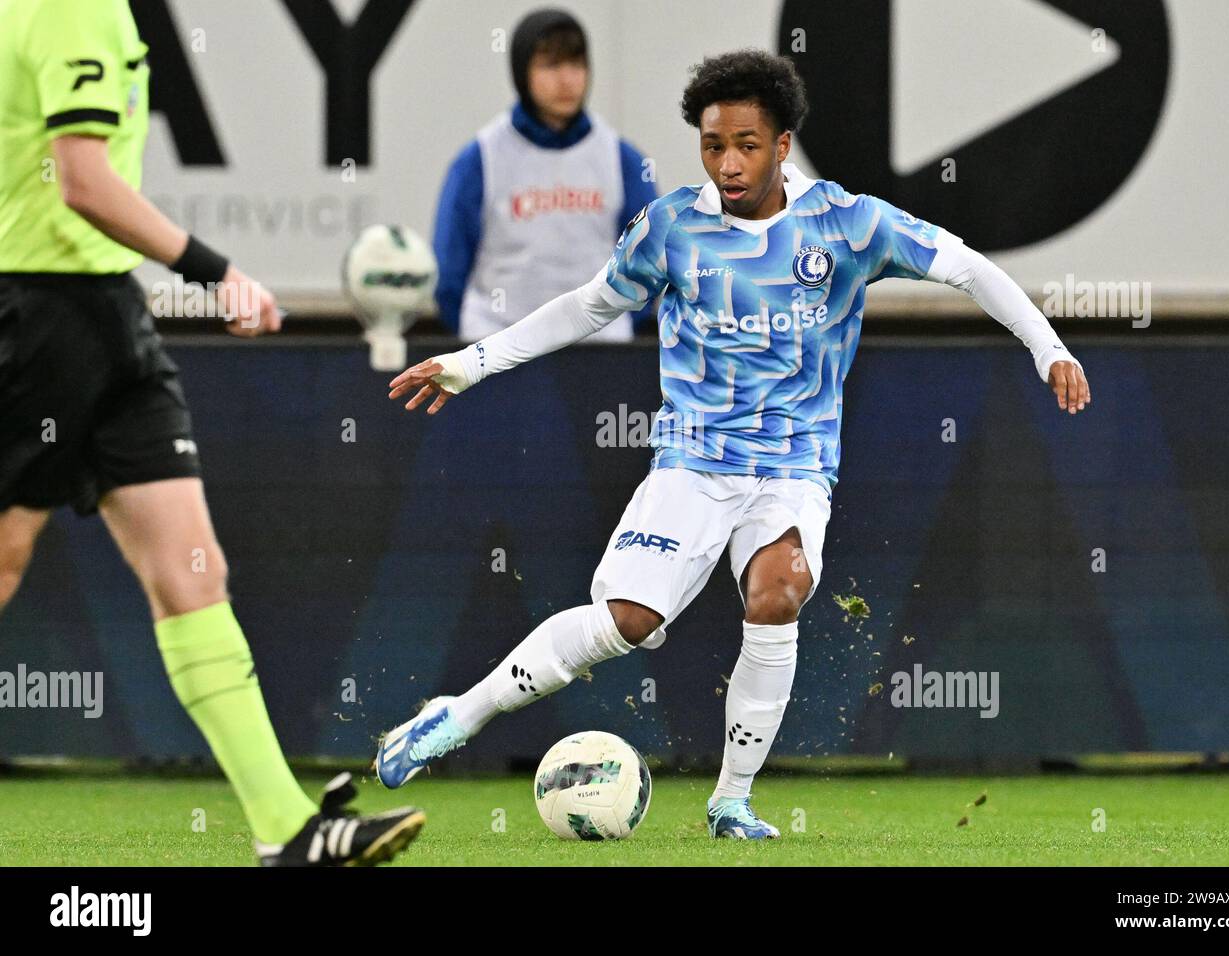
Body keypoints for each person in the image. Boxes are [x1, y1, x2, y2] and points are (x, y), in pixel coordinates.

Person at [377, 49, 1090, 838]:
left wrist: (1047, 346)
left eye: (747, 144)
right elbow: (586, 307)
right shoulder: (673, 227)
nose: (728, 162)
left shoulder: (849, 225)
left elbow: (967, 268)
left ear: (783, 144)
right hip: (692, 459)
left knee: (777, 590)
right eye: (714, 144)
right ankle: (454, 715)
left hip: (796, 464)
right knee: (626, 623)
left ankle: (731, 800)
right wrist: (473, 363)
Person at [0, 0, 424, 865]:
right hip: (34, 314)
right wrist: (212, 269)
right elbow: (80, 183)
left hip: (109, 314)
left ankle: (287, 830)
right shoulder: (65, 4)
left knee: (193, 574)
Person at [433, 8, 658, 340]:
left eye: (576, 64)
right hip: (499, 347)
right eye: (550, 65)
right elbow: (449, 275)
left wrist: (620, 328)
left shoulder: (621, 159)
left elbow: (650, 261)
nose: (566, 79)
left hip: (601, 351)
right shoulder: (480, 160)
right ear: (522, 72)